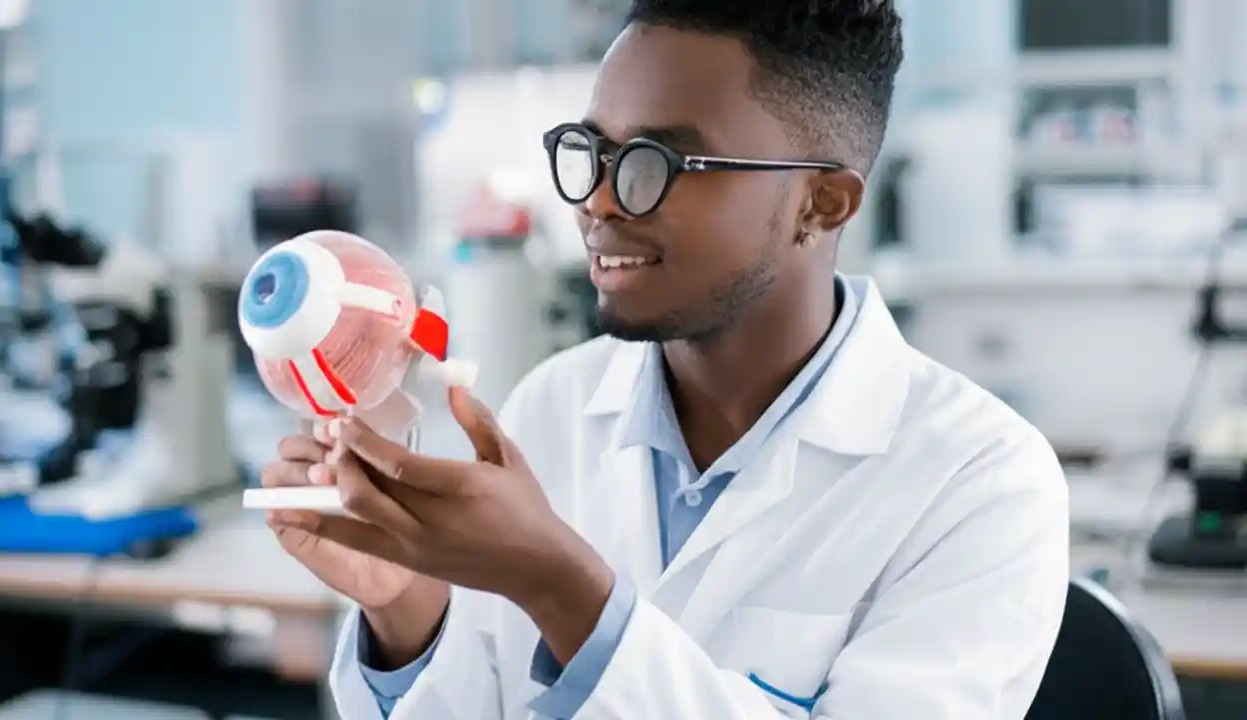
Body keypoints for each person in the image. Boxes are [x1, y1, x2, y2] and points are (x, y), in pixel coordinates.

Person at [261, 1, 1069, 718]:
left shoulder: (983, 483)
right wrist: (406, 607)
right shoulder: (554, 405)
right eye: (592, 151)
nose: (598, 200)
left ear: (821, 202)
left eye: (659, 164)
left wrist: (561, 585)